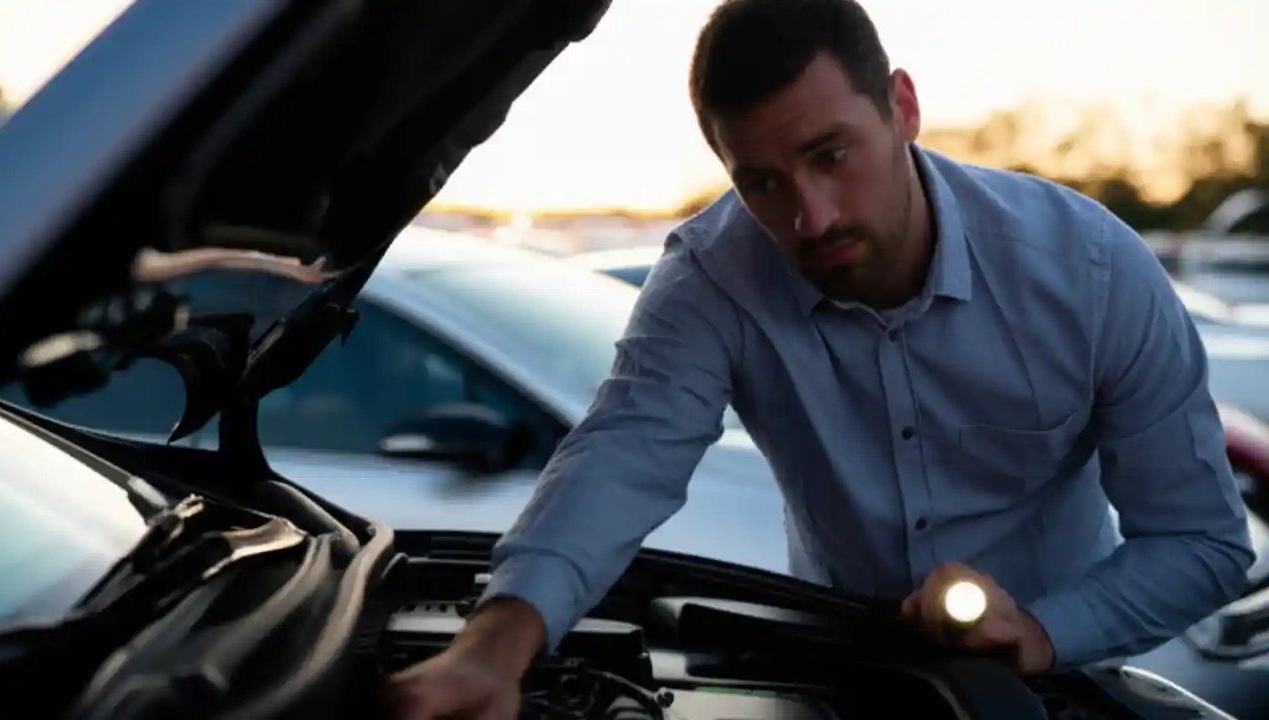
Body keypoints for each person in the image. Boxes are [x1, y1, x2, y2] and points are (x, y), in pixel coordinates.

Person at [387, 0, 1254, 716]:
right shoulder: (712, 278)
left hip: (1062, 688)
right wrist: (492, 649)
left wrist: (1042, 631)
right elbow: (621, 454)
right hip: (842, 687)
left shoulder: (1089, 272)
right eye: (760, 181)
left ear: (902, 108)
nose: (810, 218)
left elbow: (1201, 542)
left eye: (831, 157)